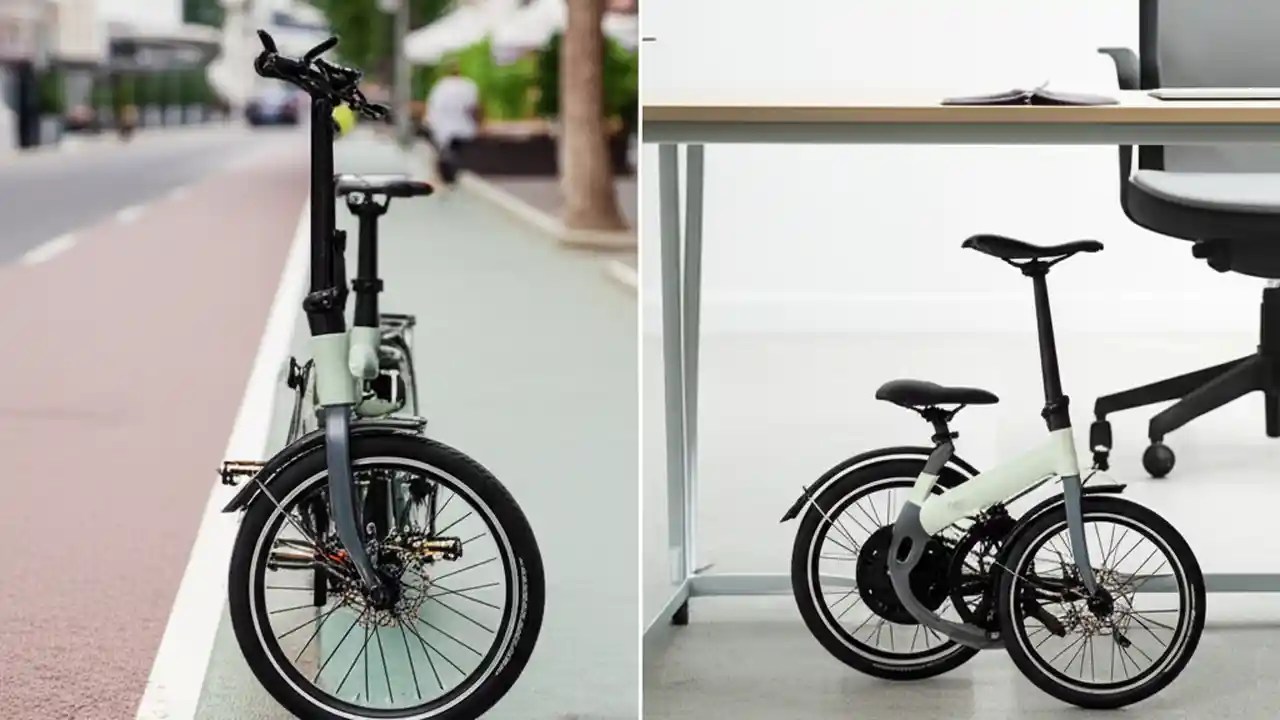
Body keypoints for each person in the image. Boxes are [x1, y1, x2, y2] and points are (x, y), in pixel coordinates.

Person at [423, 62, 481, 186]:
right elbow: (474, 108)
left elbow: (432, 107)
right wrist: (479, 123)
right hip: (461, 127)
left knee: (442, 151)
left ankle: (443, 175)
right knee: (456, 152)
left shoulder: (440, 86)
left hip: (439, 127)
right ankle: (451, 174)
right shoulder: (468, 85)